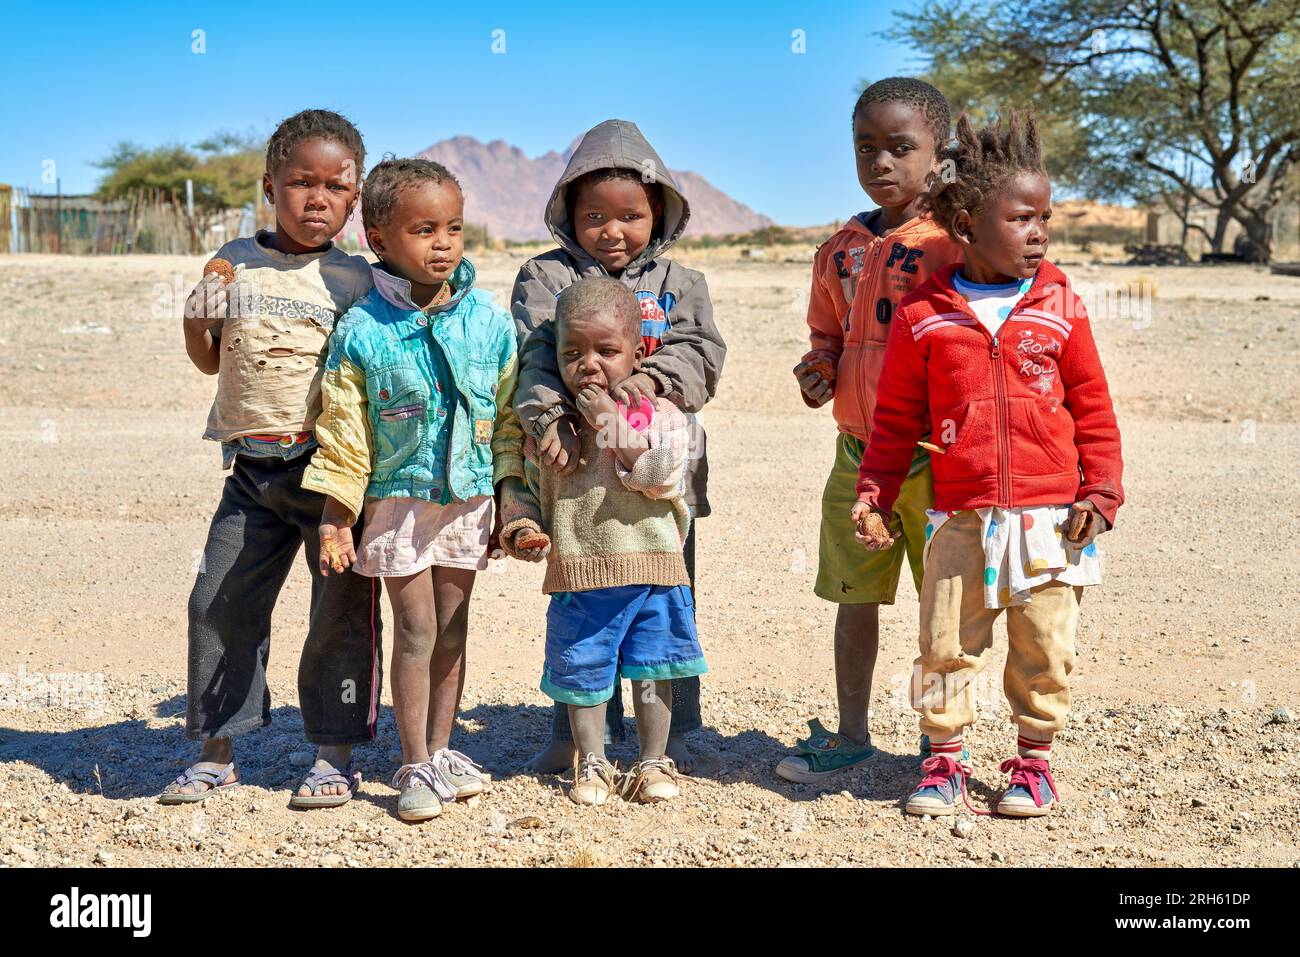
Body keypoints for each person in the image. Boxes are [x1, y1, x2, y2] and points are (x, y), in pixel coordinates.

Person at [854, 110, 1124, 817]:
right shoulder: (924, 314)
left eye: (1046, 218)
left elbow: (1093, 404)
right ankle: (942, 762)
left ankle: (1033, 764)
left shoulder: (1060, 302)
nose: (1041, 232)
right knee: (945, 645)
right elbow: (894, 423)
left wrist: (1100, 490)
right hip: (960, 517)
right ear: (968, 225)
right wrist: (874, 495)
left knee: (1045, 648)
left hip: (1053, 519)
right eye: (1024, 218)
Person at [162, 110, 382, 808]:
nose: (317, 198)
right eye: (299, 182)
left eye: (335, 186)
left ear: (356, 197)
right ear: (269, 187)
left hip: (330, 476)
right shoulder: (232, 260)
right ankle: (216, 752)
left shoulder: (357, 281)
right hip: (251, 472)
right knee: (217, 600)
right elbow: (207, 359)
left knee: (339, 612)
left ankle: (333, 753)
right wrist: (197, 317)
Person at [303, 159, 522, 821]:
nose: (444, 243)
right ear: (379, 238)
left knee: (453, 629)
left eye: (453, 227)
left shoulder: (488, 321)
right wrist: (338, 516)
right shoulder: (363, 330)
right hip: (399, 505)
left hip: (468, 500)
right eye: (424, 229)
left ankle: (444, 747)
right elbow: (344, 432)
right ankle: (414, 761)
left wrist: (514, 502)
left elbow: (508, 419)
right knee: (418, 630)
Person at [512, 119, 724, 775]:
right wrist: (549, 419)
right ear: (567, 215)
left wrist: (637, 385)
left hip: (661, 479)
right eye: (594, 215)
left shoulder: (680, 284)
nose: (612, 230)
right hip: (575, 475)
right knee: (580, 601)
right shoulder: (543, 278)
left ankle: (675, 732)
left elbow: (701, 357)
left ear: (657, 212)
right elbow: (534, 360)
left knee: (667, 597)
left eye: (629, 216)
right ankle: (577, 735)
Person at [778, 79, 963, 784]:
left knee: (943, 609)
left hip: (936, 460)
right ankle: (851, 734)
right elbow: (825, 332)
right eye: (866, 147)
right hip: (857, 456)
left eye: (899, 148)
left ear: (936, 154)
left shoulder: (954, 244)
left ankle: (942, 745)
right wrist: (818, 368)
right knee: (855, 601)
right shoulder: (840, 251)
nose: (881, 162)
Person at [500, 278, 705, 806]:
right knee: (583, 674)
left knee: (655, 670)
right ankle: (591, 762)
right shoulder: (550, 425)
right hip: (581, 573)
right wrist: (522, 525)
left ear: (638, 354)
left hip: (655, 571)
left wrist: (611, 422)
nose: (588, 365)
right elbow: (526, 484)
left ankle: (652, 760)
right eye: (573, 353)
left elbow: (660, 475)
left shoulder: (656, 413)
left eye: (606, 351)